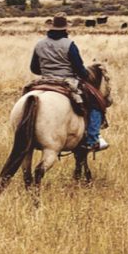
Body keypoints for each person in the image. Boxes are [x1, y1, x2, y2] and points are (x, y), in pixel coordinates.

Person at [30, 12, 109, 151]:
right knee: (96, 103)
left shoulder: (39, 44)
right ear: (65, 29)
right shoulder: (69, 44)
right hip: (67, 80)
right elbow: (79, 69)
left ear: (51, 28)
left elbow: (34, 68)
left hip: (44, 79)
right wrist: (84, 74)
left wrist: (48, 71)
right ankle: (92, 139)